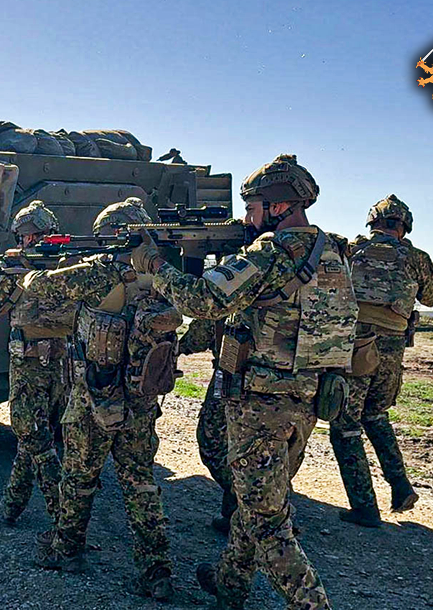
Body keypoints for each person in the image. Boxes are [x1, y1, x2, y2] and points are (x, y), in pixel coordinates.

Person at [133, 154, 356, 609]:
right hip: (309, 398)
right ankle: (230, 582)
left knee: (267, 519)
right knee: (257, 497)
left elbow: (203, 300)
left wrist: (155, 265)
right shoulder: (333, 251)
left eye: (252, 206)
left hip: (261, 406)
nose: (246, 216)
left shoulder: (271, 253)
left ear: (277, 207)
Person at [24, 198, 181, 602]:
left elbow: (38, 286)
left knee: (79, 478)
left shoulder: (98, 272)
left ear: (115, 235)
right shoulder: (164, 276)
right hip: (142, 400)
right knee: (141, 483)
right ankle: (156, 571)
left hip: (95, 396)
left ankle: (66, 550)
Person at [0, 201, 72, 525]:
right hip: (61, 369)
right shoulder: (70, 265)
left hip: (30, 368)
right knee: (34, 434)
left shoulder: (20, 270)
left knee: (36, 440)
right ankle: (13, 504)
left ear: (25, 236)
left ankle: (64, 523)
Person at [333, 194, 433, 527]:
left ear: (372, 223)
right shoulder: (415, 257)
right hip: (392, 348)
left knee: (345, 427)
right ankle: (400, 486)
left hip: (357, 347)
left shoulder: (354, 250)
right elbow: (432, 298)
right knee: (376, 415)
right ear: (404, 227)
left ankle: (365, 508)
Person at [177, 318, 237, 534]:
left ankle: (248, 507)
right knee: (277, 448)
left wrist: (177, 347)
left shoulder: (245, 284)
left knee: (213, 441)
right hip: (300, 380)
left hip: (236, 372)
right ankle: (245, 512)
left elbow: (203, 330)